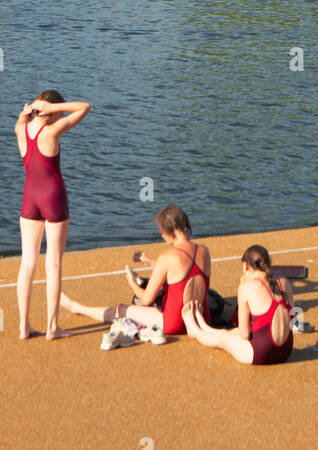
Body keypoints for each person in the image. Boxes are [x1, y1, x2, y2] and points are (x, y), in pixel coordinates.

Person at [60, 205, 211, 337]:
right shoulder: (204, 251)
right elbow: (180, 273)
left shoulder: (167, 257)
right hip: (201, 318)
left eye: (163, 232)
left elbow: (146, 299)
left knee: (121, 310)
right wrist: (149, 261)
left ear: (170, 230)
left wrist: (132, 282)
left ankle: (76, 307)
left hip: (175, 323)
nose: (162, 236)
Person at [16, 91, 90, 340]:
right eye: (56, 110)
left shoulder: (20, 129)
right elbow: (84, 107)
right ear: (50, 110)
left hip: (29, 199)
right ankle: (52, 327)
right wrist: (54, 107)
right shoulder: (53, 131)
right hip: (53, 198)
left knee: (28, 263)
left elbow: (20, 121)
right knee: (54, 263)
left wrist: (28, 112)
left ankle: (23, 327)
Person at [181, 245, 294, 365]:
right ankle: (204, 326)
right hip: (285, 352)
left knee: (223, 338)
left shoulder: (246, 287)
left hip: (261, 354)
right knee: (233, 332)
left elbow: (244, 334)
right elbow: (290, 319)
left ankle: (195, 330)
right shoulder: (284, 282)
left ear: (246, 266)